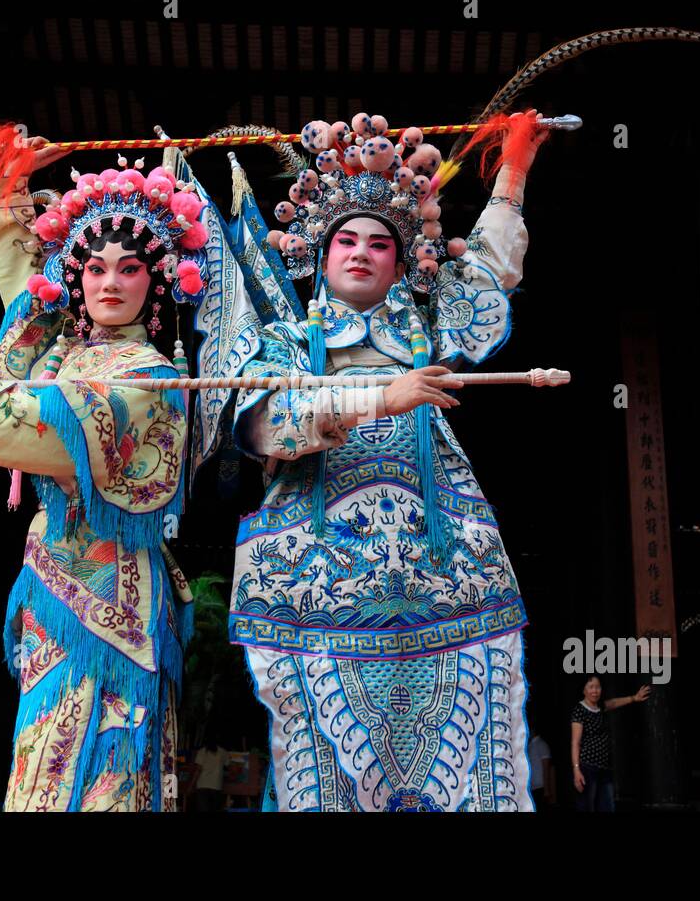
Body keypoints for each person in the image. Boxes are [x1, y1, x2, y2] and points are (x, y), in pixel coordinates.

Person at [226, 110, 551, 811]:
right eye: (347, 239)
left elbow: (490, 265)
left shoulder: (425, 328)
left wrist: (515, 170)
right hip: (317, 578)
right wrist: (383, 396)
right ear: (320, 249)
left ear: (402, 261)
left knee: (467, 770)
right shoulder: (284, 337)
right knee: (326, 778)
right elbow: (261, 425)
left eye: (381, 244)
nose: (363, 252)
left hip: (446, 573)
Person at [0, 129, 205, 811]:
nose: (111, 282)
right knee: (40, 759)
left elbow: (49, 430)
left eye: (129, 268)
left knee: (109, 771)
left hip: (121, 594)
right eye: (95, 269)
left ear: (155, 280)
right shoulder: (62, 348)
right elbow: (18, 278)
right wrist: (10, 181)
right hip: (50, 584)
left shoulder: (149, 373)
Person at [570, 675, 650, 812]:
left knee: (608, 807)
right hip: (587, 768)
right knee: (587, 807)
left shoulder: (600, 706)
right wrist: (576, 769)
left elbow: (613, 703)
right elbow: (575, 742)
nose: (595, 691)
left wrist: (634, 698)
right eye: (591, 687)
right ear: (584, 690)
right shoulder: (580, 710)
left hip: (604, 768)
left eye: (598, 687)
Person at [192, 735, 230, 812]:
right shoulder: (223, 752)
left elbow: (198, 771)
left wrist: (191, 785)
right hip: (216, 786)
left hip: (202, 786)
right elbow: (229, 766)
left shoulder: (201, 752)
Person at [528, 732, 555, 809]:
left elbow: (546, 768)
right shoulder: (530, 745)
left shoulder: (541, 744)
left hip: (541, 787)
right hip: (532, 787)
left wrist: (546, 790)